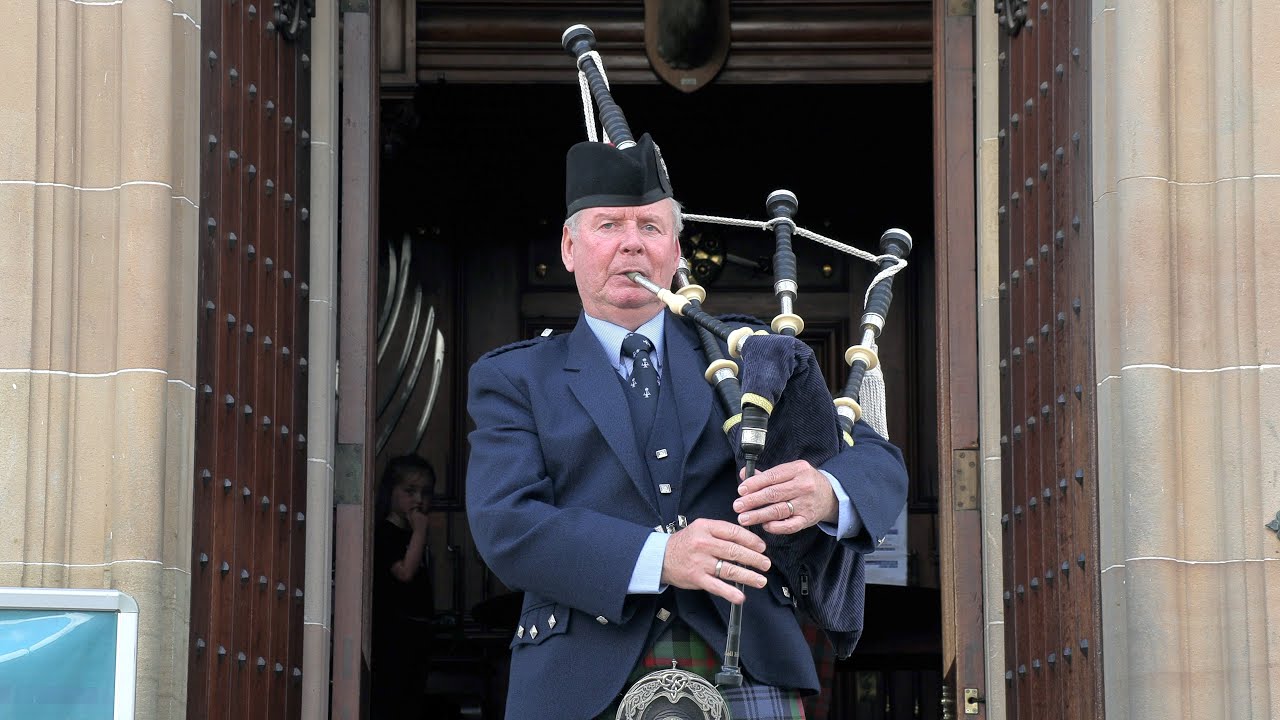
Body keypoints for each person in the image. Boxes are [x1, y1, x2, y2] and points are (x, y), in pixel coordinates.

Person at [464, 132, 908, 720]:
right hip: (575, 682)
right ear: (569, 247)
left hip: (747, 658)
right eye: (607, 226)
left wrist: (829, 493)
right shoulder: (517, 378)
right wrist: (661, 556)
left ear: (676, 252)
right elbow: (507, 524)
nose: (631, 245)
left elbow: (876, 461)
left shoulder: (747, 351)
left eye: (650, 228)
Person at [371, 454, 437, 720]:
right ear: (392, 492)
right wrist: (420, 532)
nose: (419, 500)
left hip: (415, 635)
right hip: (394, 635)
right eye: (410, 491)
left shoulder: (409, 534)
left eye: (425, 493)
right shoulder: (384, 533)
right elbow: (404, 572)